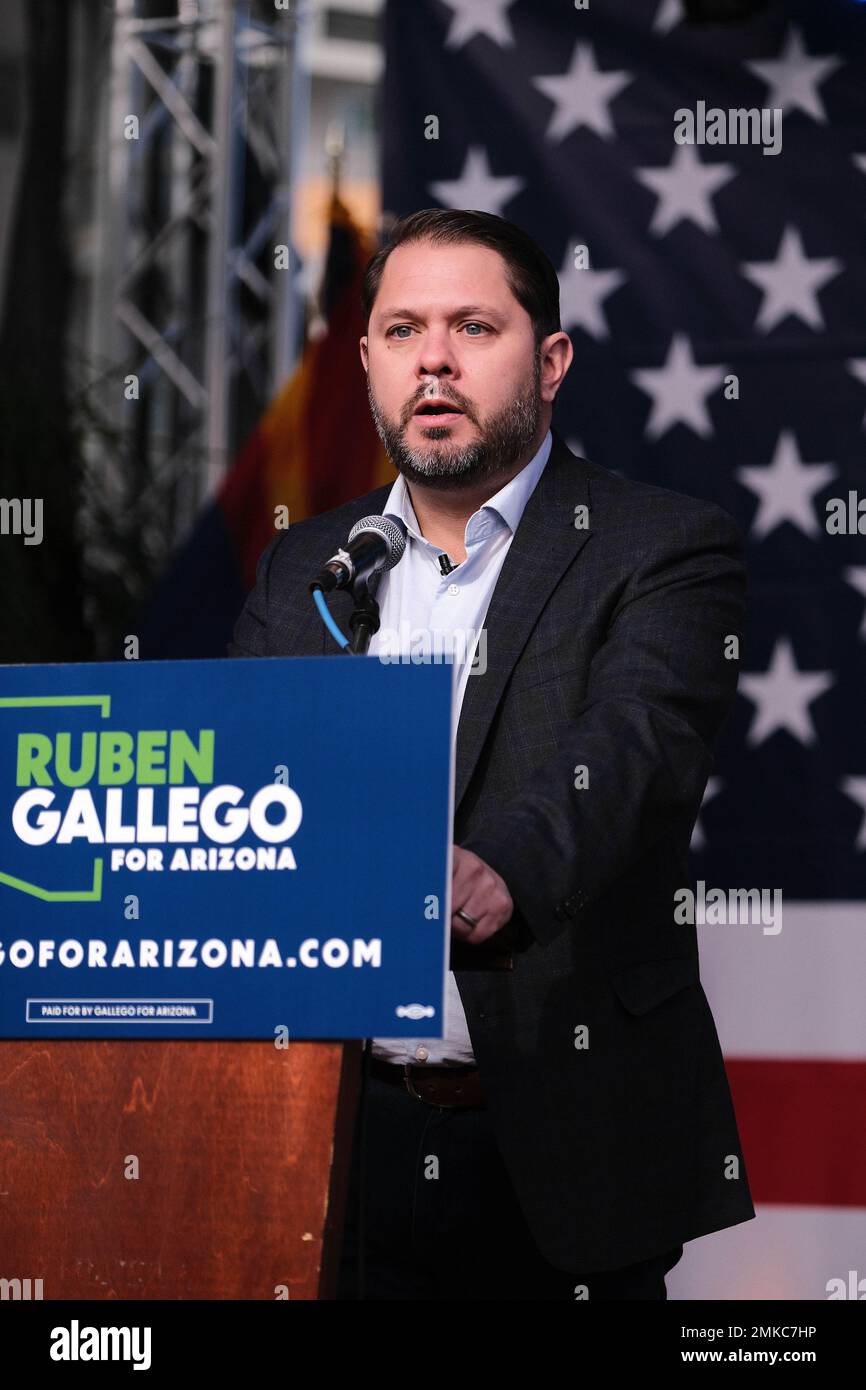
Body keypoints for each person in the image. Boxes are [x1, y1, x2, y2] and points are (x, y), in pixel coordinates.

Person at [229, 207, 756, 1300]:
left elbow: (633, 750)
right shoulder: (304, 569)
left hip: (561, 1142)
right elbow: (247, 794)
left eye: (472, 326)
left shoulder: (659, 546)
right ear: (367, 357)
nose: (433, 359)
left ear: (550, 359)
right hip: (327, 1141)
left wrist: (500, 867)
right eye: (403, 329)